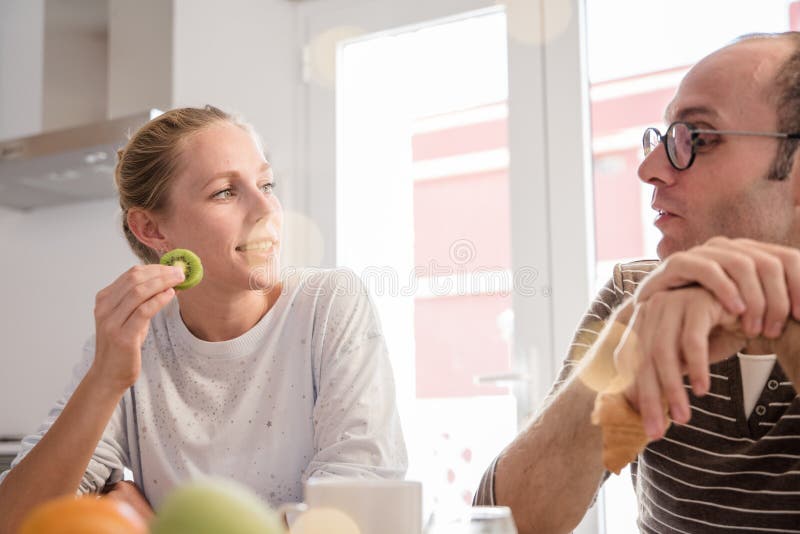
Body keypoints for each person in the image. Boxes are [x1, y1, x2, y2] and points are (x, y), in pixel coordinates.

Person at [0, 106, 407, 532]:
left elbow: (357, 504)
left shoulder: (328, 304)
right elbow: (16, 521)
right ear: (152, 230)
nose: (266, 209)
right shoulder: (134, 341)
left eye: (266, 184)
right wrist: (104, 380)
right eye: (225, 193)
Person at [474, 32, 800, 534]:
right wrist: (616, 361)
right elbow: (506, 524)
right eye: (666, 137)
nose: (649, 169)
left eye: (700, 137)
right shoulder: (639, 295)